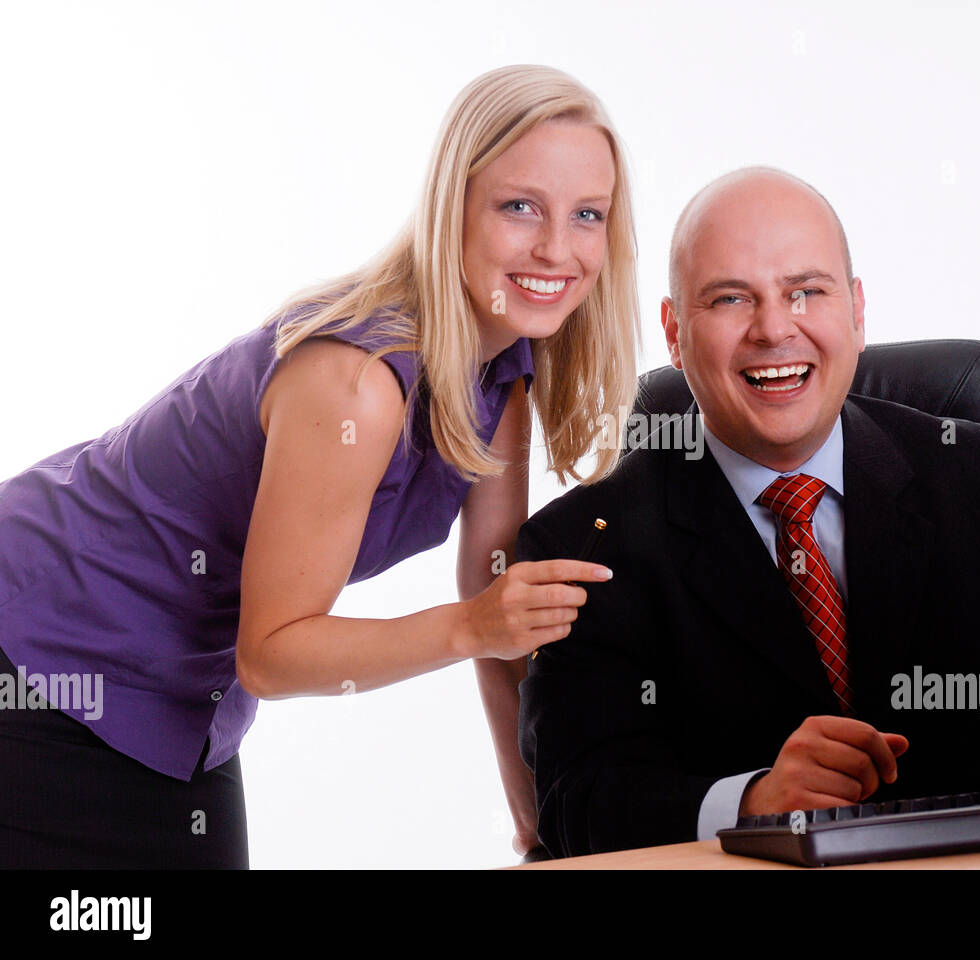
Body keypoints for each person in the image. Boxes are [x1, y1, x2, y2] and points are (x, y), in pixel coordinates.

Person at [0, 64, 637, 867]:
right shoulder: (358, 386)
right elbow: (272, 653)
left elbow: (491, 597)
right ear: (453, 208)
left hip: (177, 711)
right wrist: (474, 626)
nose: (557, 247)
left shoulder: (502, 375)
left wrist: (540, 830)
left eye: (588, 215)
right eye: (520, 207)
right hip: (32, 651)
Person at [516, 167, 980, 858]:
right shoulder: (583, 545)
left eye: (806, 292)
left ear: (857, 310)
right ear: (672, 331)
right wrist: (750, 802)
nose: (774, 328)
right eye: (729, 299)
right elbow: (578, 806)